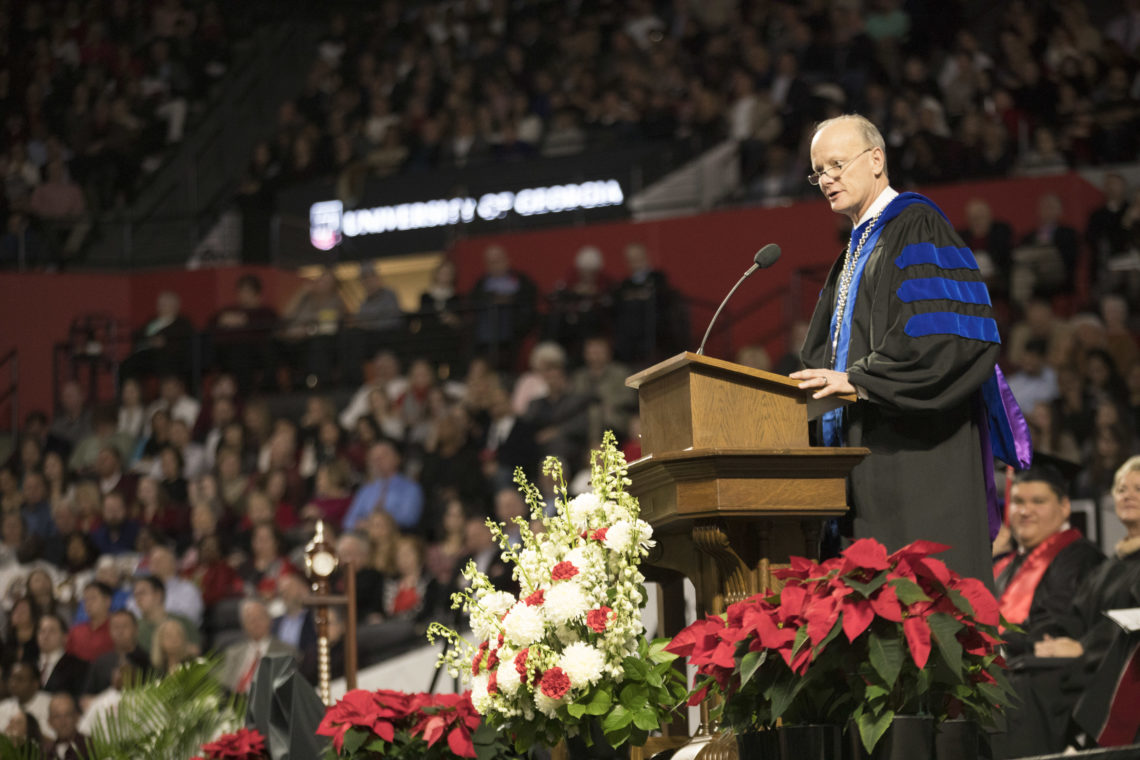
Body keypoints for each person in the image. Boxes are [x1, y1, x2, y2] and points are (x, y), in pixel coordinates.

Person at [791, 114, 1026, 584]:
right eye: (818, 172)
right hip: (863, 467)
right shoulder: (856, 250)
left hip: (914, 464)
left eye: (836, 164)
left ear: (876, 159)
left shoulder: (916, 226)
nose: (827, 179)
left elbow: (946, 342)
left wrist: (858, 379)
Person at [990, 466, 1104, 758]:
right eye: (1017, 502)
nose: (1025, 511)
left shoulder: (1080, 558)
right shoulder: (1004, 566)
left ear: (1064, 507)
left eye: (1038, 502)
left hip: (1053, 677)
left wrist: (1008, 644)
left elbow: (1056, 628)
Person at [217, 599, 297, 694]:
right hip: (235, 703)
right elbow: (224, 686)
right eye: (250, 618)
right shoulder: (233, 652)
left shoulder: (287, 652)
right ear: (243, 625)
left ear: (269, 620)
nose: (255, 622)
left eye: (259, 617)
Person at [341, 441, 423, 533]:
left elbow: (409, 519)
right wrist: (366, 525)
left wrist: (378, 524)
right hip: (364, 537)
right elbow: (348, 521)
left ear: (397, 458)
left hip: (396, 536)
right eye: (374, 458)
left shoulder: (410, 488)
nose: (378, 461)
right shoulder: (366, 490)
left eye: (383, 456)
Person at [36, 614, 89, 700]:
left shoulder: (78, 666)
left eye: (52, 631)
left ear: (65, 637)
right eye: (42, 631)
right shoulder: (29, 663)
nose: (45, 636)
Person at [46, 692, 92, 760]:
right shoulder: (46, 753)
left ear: (77, 717)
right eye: (57, 716)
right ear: (49, 721)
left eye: (67, 715)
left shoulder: (91, 747)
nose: (63, 722)